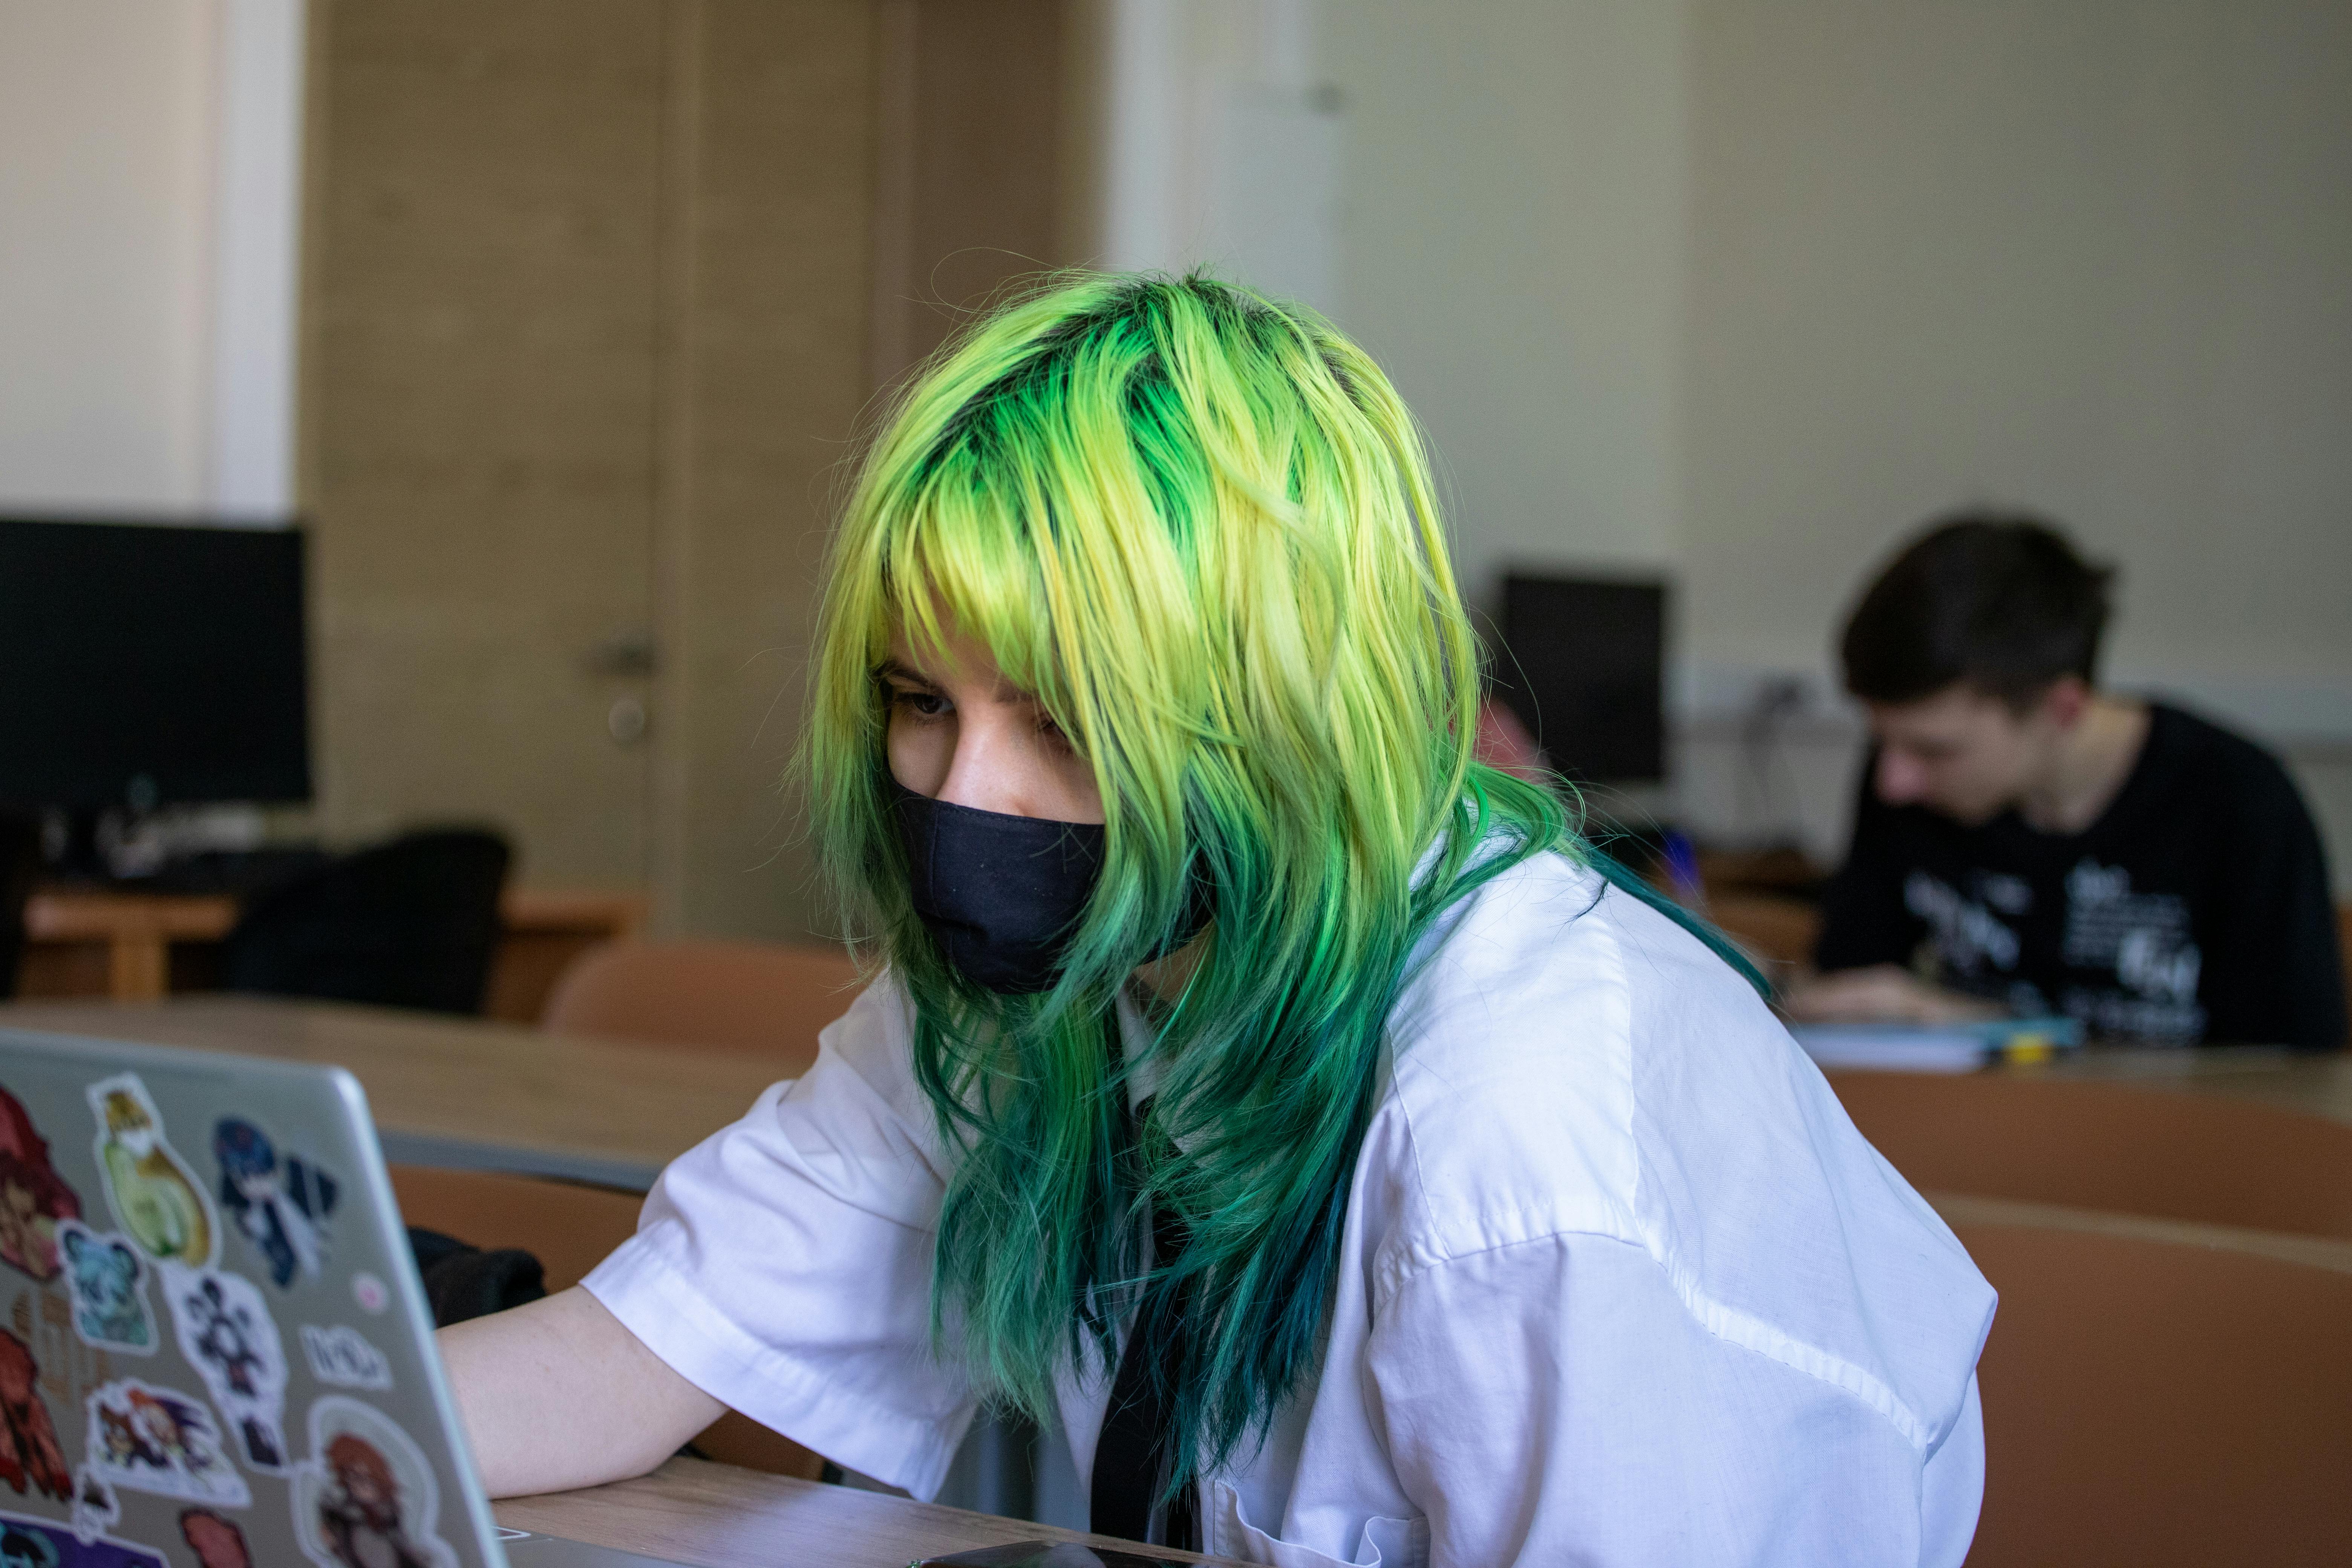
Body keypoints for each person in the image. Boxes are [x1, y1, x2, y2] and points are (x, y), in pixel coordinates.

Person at [440, 275, 1992, 1565]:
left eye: (1064, 721)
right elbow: (629, 1357)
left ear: (1284, 716)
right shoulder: (1030, 998)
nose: (967, 792)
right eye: (921, 701)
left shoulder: (1529, 1127)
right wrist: (244, 1414)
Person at [1788, 514, 2346, 1047]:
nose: (1895, 781)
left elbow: (2287, 1068)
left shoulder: (2240, 804)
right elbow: (1847, 991)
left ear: (2062, 708)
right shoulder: (1908, 786)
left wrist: (1972, 1022)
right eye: (1884, 739)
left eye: (1935, 750)